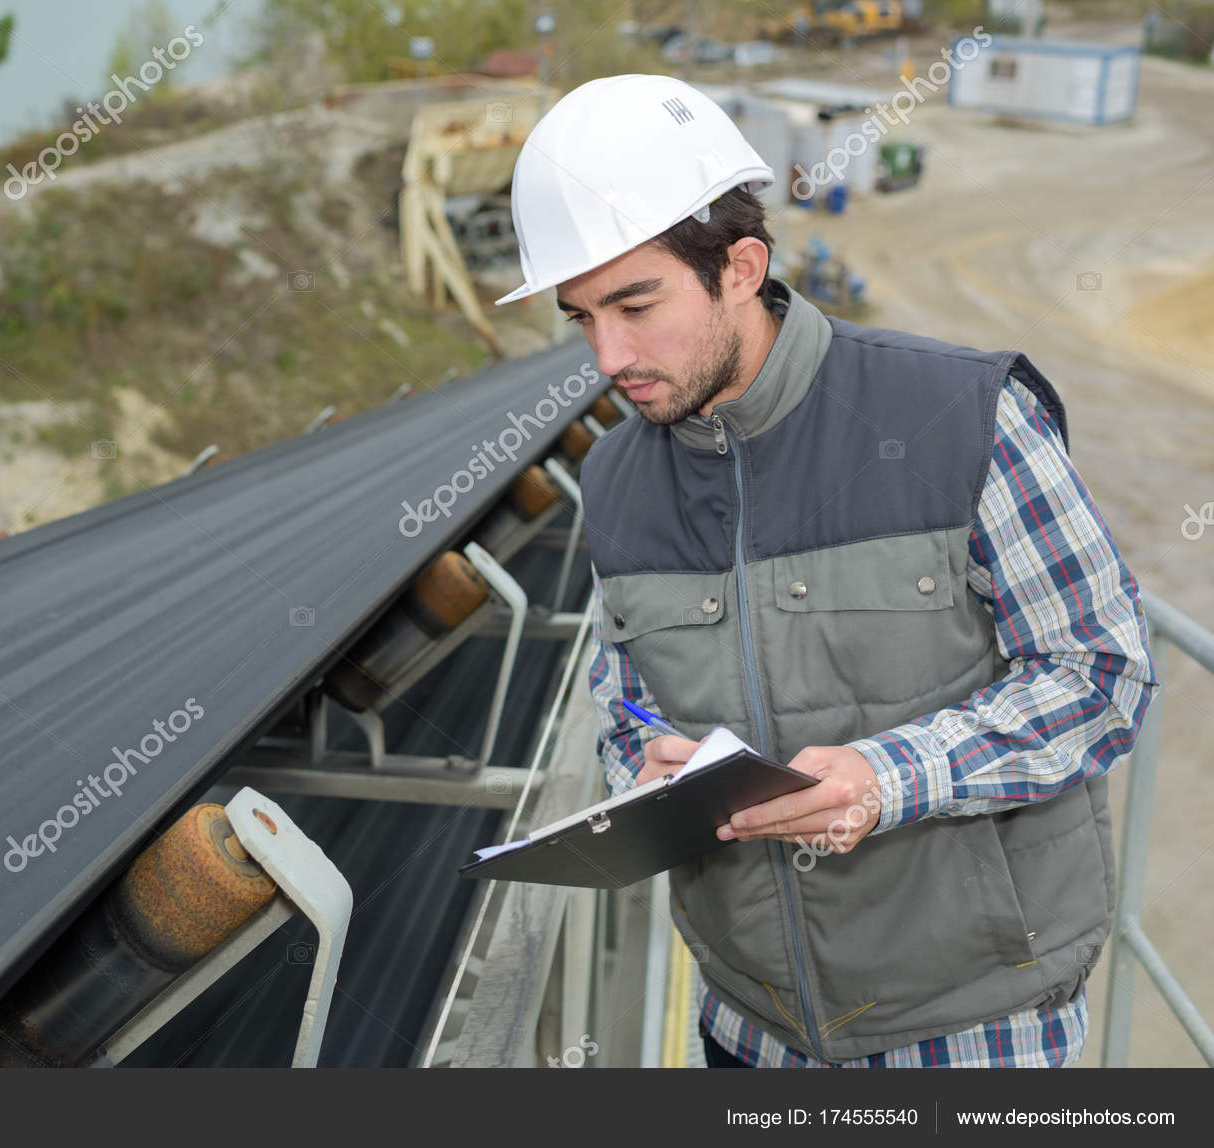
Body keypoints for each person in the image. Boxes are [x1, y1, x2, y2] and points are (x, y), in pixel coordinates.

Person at [496, 75, 1158, 1067]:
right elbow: (621, 682)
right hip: (744, 1026)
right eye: (581, 316)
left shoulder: (960, 416)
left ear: (738, 266)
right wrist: (640, 760)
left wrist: (890, 777)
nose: (608, 355)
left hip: (971, 1027)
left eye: (636, 303)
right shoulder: (618, 477)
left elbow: (1100, 674)